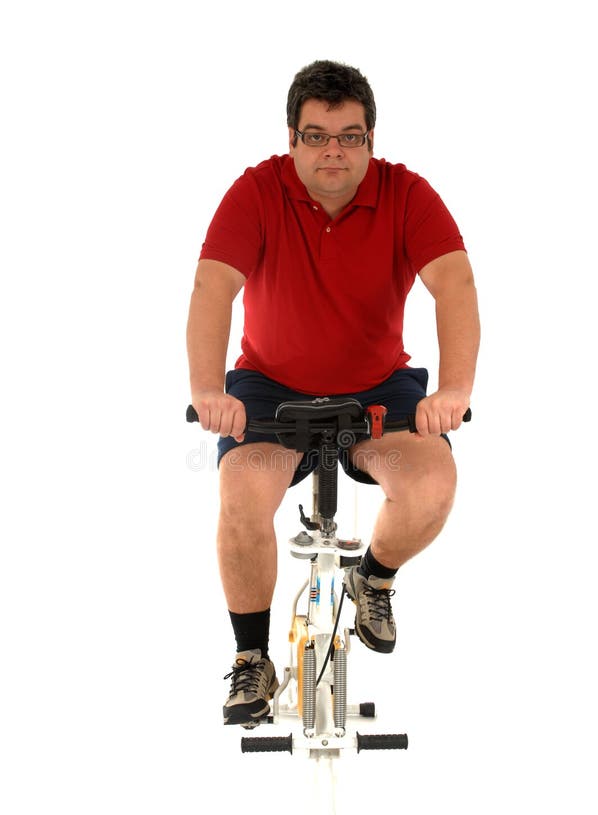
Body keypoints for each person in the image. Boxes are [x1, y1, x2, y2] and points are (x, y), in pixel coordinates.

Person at [186, 60, 480, 727]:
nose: (333, 151)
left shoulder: (407, 194)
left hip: (378, 387)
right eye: (316, 136)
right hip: (269, 389)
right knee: (241, 498)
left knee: (433, 486)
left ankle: (372, 576)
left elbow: (455, 285)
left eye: (350, 136)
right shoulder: (256, 191)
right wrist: (207, 390)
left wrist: (455, 389)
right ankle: (252, 657)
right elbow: (212, 287)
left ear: (371, 139)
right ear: (292, 138)